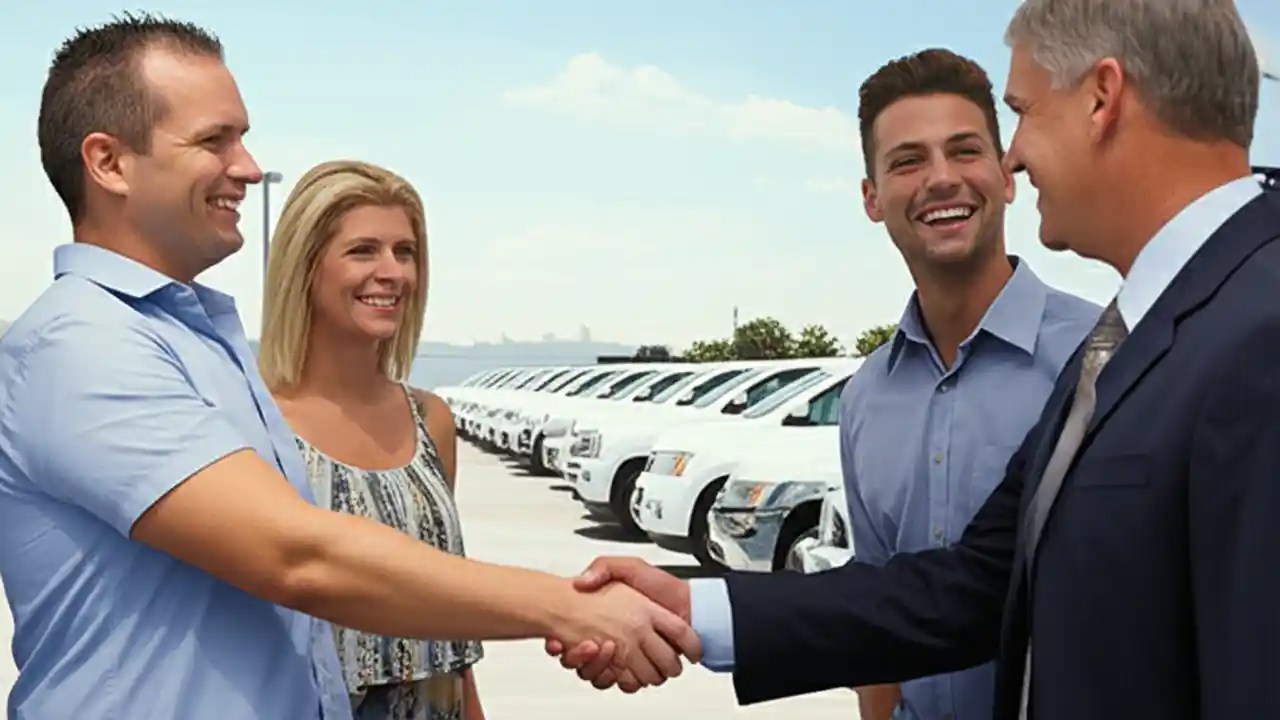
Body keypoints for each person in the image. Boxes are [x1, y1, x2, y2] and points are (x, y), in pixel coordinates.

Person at [552, 1, 1280, 718]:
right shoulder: (1129, 341)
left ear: (1102, 98)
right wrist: (695, 607)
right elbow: (971, 589)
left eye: (1021, 112)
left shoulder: (1256, 328)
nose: (1017, 154)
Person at [0, 13, 697, 719]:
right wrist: (568, 608)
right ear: (109, 162)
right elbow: (298, 557)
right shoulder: (78, 345)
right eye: (215, 140)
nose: (245, 166)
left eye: (242, 138)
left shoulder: (192, 342)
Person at [837, 48, 1099, 720]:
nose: (941, 179)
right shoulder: (865, 397)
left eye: (964, 151)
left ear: (1007, 173)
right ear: (872, 198)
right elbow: (877, 616)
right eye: (907, 161)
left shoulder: (1108, 358)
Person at [258, 159, 487, 719]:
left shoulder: (431, 419)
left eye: (404, 252)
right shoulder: (254, 421)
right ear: (305, 267)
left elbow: (448, 613)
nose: (393, 273)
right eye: (363, 251)